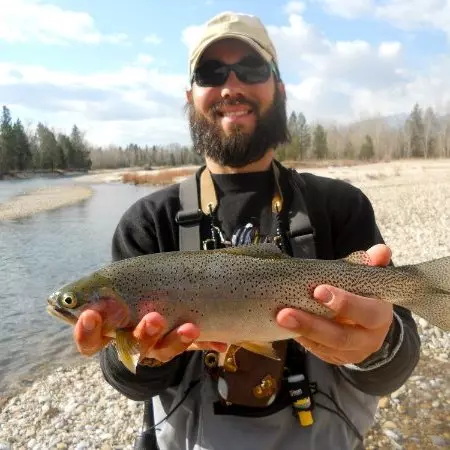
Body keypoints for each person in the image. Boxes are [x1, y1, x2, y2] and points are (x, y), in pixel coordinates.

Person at [73, 11, 421, 450]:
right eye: (211, 72)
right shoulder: (147, 222)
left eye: (252, 69)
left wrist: (377, 343)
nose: (231, 86)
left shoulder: (340, 206)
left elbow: (398, 361)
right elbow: (132, 384)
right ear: (190, 94)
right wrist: (140, 356)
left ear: (279, 87)